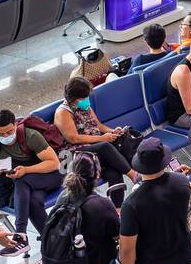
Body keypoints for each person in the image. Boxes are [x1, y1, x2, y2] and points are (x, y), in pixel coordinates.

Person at [0, 108, 64, 243]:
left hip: (50, 175)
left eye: (9, 132)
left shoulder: (30, 136)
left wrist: (26, 170)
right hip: (27, 185)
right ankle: (53, 242)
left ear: (16, 125)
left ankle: (20, 232)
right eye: (0, 133)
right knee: (32, 202)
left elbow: (54, 164)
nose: (6, 136)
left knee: (21, 179)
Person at [54, 77, 139, 208]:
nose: (87, 99)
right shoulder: (63, 112)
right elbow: (73, 138)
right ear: (75, 98)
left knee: (114, 172)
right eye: (84, 97)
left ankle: (118, 209)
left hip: (95, 147)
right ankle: (134, 175)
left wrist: (113, 132)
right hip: (74, 152)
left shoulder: (84, 105)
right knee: (105, 146)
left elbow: (98, 126)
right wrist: (102, 138)